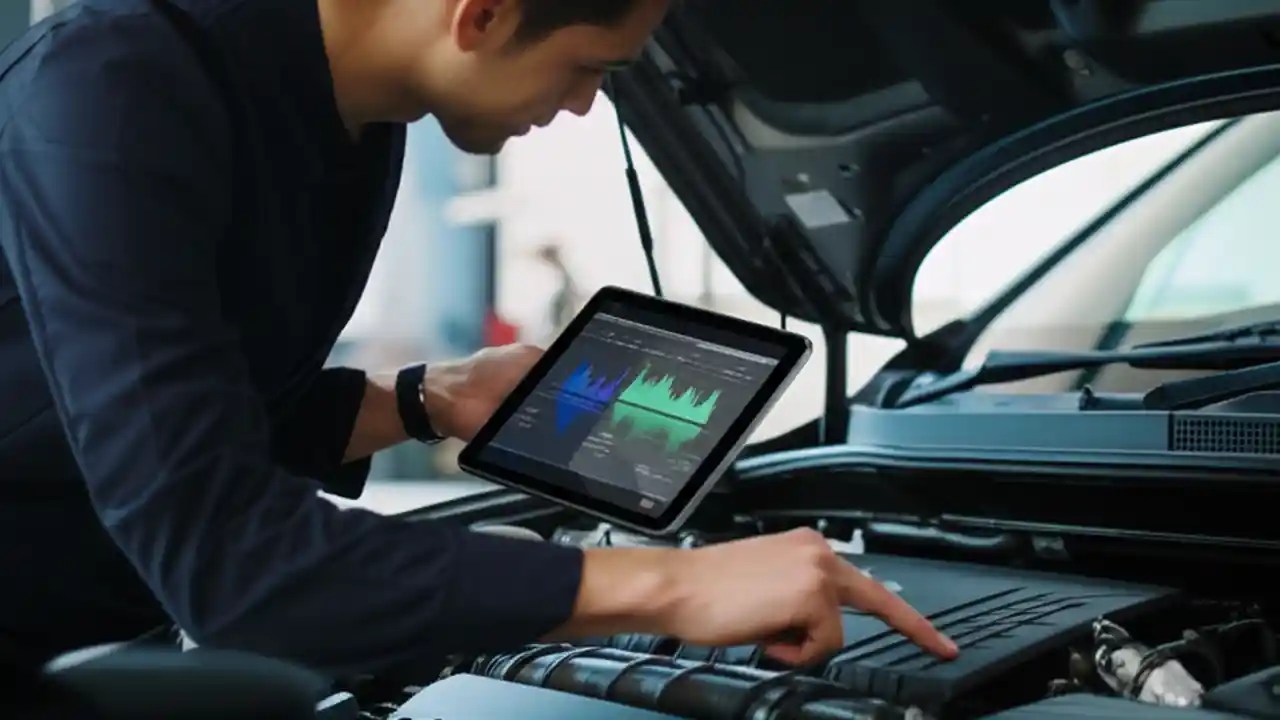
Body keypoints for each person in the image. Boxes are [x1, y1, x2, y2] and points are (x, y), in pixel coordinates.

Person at [0, 0, 959, 677]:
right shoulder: (113, 91)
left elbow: (170, 424)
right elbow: (229, 559)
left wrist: (425, 401)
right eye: (593, 68)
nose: (586, 105)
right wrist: (671, 586)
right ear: (483, 14)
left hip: (105, 632)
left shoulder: (363, 114)